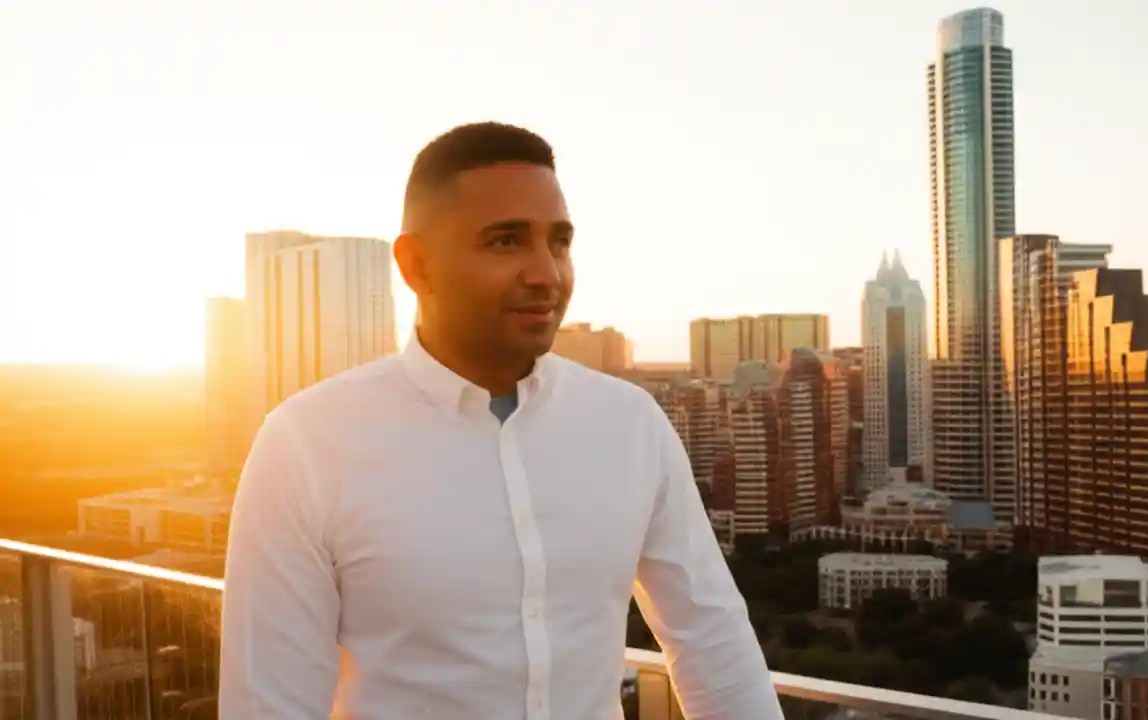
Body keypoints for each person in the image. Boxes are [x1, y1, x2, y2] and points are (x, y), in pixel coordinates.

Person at [219, 122, 782, 719]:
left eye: (559, 242)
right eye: (506, 241)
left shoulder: (630, 425)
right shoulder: (306, 445)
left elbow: (714, 643)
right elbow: (269, 705)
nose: (546, 274)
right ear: (416, 266)